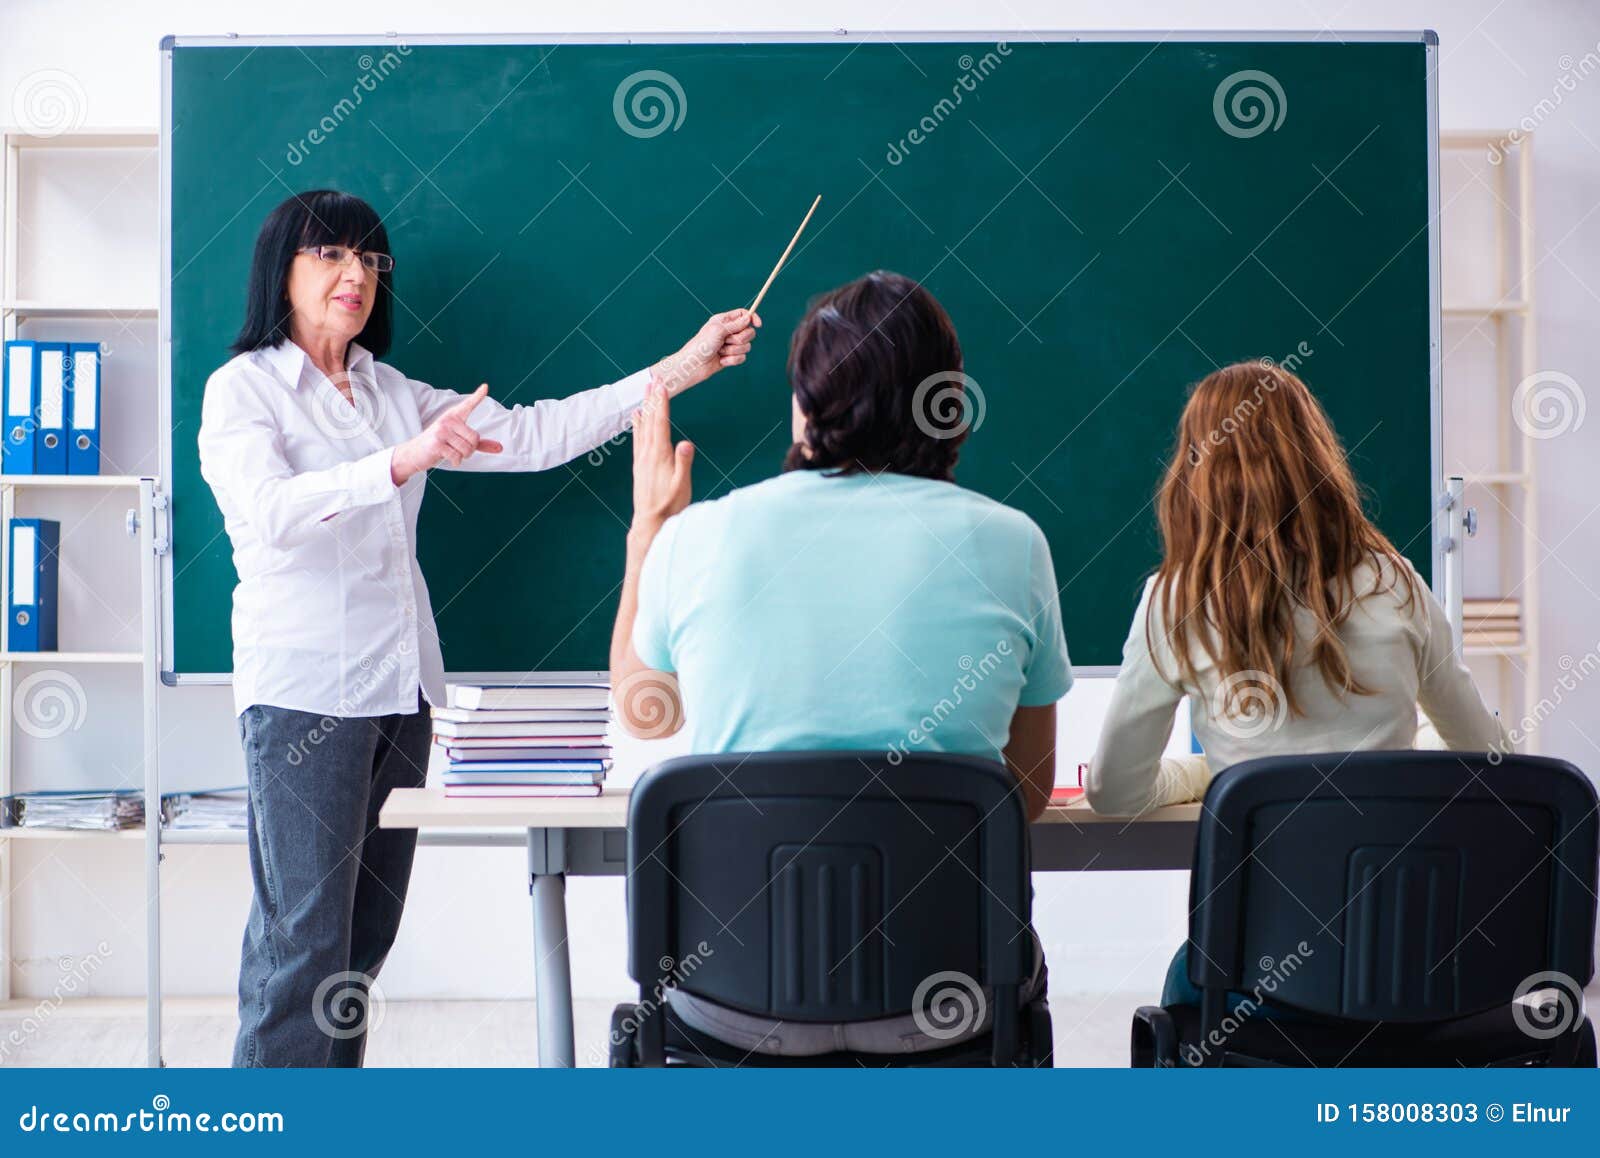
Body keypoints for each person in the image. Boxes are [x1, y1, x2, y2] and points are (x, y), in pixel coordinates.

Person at [198, 189, 759, 1066]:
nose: (356, 276)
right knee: (301, 951)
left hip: (403, 691)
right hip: (305, 696)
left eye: (371, 261)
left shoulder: (390, 391)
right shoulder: (244, 390)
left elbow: (538, 433)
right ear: (282, 269)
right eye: (332, 256)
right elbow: (266, 515)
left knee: (360, 948)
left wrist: (684, 368)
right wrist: (399, 460)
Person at [607, 269, 1071, 1054]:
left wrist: (649, 523)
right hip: (944, 1007)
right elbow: (1020, 798)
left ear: (803, 402)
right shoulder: (1014, 542)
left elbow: (645, 709)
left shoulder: (697, 537)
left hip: (730, 1007)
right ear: (947, 404)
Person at [1084, 358, 1505, 1007]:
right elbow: (1491, 760)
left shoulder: (1174, 602)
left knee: (1185, 982)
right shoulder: (1398, 586)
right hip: (1408, 973)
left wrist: (1205, 777)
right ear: (1318, 458)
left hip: (1255, 984)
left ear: (1198, 469)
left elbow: (1113, 793)